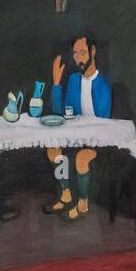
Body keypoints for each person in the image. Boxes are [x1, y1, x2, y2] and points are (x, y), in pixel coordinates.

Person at [44, 33, 111, 221]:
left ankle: (82, 203)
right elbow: (62, 112)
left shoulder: (103, 85)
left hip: (98, 140)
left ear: (93, 51)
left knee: (81, 157)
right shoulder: (74, 80)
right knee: (53, 149)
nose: (79, 59)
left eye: (82, 53)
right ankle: (65, 193)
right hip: (76, 136)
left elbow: (103, 124)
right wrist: (56, 84)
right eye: (75, 54)